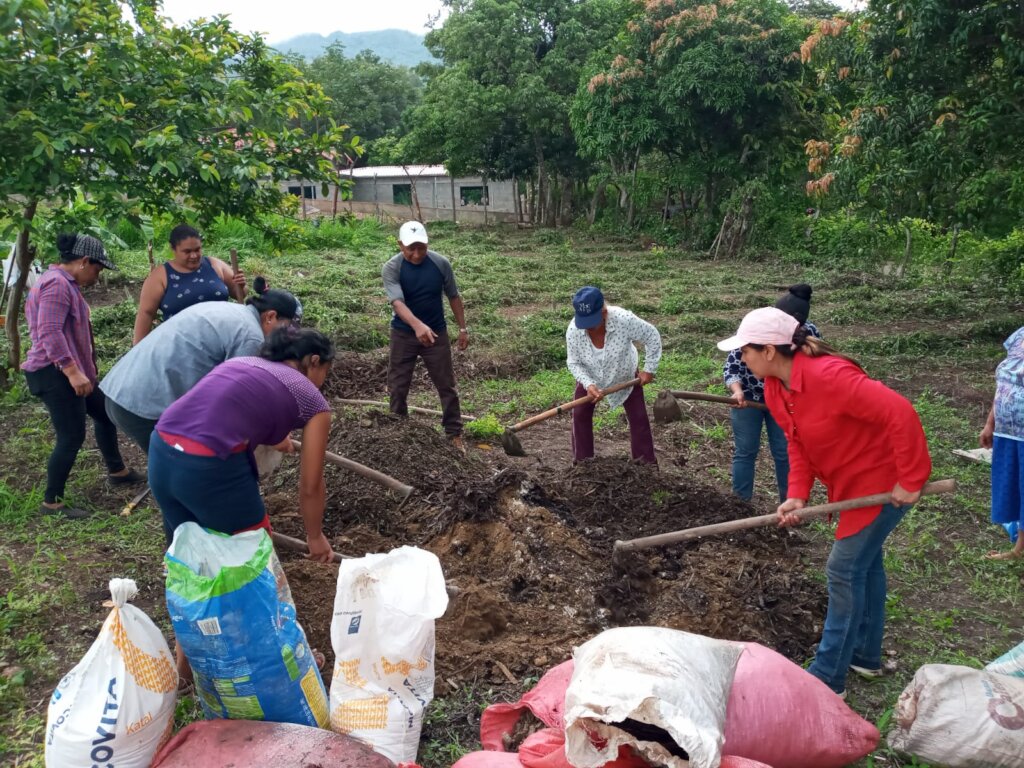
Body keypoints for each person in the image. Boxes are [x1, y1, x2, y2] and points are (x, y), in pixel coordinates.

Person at [718, 307, 931, 697]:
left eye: (744, 350)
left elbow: (899, 411)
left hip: (881, 482)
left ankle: (827, 679)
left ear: (768, 351)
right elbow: (797, 442)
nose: (740, 358)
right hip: (848, 482)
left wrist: (911, 479)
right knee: (865, 565)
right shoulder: (775, 388)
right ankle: (865, 657)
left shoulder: (829, 376)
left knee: (843, 569)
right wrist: (797, 494)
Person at [147, 326, 335, 559]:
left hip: (161, 450)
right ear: (314, 361)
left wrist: (276, 438)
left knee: (193, 556)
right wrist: (315, 536)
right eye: (326, 371)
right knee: (252, 558)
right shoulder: (313, 401)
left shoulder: (243, 362)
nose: (322, 382)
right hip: (208, 468)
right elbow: (311, 485)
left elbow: (228, 412)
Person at [102, 277, 303, 453]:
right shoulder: (251, 336)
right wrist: (273, 434)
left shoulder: (231, 311)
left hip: (121, 389)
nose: (286, 336)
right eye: (287, 328)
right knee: (182, 472)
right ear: (270, 316)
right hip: (141, 405)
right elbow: (236, 399)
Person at [21, 233, 144, 519]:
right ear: (84, 261)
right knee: (71, 436)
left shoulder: (65, 283)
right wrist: (74, 372)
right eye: (97, 270)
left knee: (106, 413)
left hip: (67, 371)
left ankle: (118, 471)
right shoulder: (56, 285)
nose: (97, 277)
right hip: (54, 374)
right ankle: (52, 503)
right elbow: (49, 331)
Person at [723, 284, 821, 501]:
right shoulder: (757, 330)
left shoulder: (809, 335)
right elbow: (732, 367)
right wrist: (737, 390)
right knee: (746, 451)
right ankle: (740, 505)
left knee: (785, 452)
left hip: (785, 402)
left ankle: (791, 503)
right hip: (749, 398)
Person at [382, 221, 468, 449]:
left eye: (422, 247)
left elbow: (454, 296)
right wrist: (417, 326)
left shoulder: (440, 264)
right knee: (398, 385)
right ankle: (399, 430)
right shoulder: (392, 268)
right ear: (401, 245)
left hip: (436, 334)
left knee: (446, 384)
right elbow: (397, 303)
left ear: (427, 243)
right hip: (403, 335)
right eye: (411, 248)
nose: (417, 254)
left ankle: (453, 432)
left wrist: (462, 328)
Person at [566, 286, 661, 465]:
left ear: (603, 312)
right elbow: (573, 362)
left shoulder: (623, 320)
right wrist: (588, 384)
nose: (588, 329)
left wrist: (649, 369)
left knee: (639, 417)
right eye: (584, 323)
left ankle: (646, 466)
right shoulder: (574, 330)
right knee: (579, 415)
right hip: (590, 376)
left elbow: (652, 335)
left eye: (592, 323)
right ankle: (582, 465)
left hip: (624, 374)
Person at [133, 223, 246, 344]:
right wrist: (138, 349)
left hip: (223, 340)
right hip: (181, 347)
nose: (194, 255)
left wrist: (240, 285)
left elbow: (240, 294)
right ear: (173, 249)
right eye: (187, 251)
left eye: (197, 250)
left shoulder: (215, 265)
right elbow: (146, 313)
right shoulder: (159, 276)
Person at [979, 325, 1024, 560]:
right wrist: (990, 423)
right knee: (1016, 488)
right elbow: (1004, 383)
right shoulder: (1019, 335)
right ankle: (1019, 549)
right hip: (1009, 432)